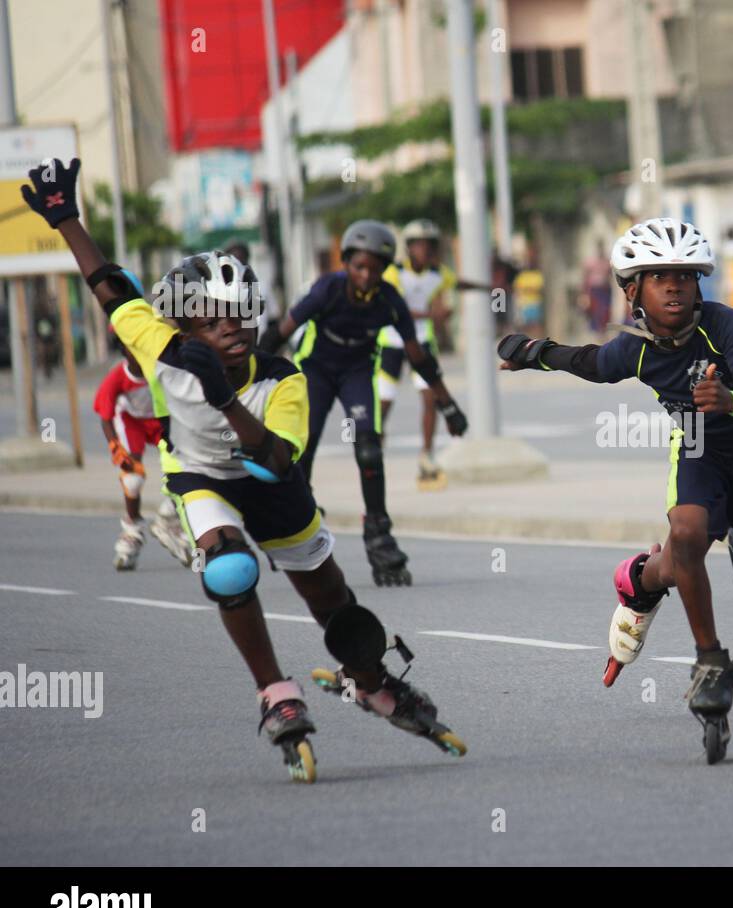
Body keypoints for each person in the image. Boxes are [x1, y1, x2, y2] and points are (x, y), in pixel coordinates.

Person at [22, 158, 465, 782]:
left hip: (269, 482)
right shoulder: (159, 347)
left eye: (239, 314)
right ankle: (275, 694)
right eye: (211, 320)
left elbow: (276, 461)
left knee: (341, 611)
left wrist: (225, 398)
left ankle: (372, 683)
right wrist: (66, 218)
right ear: (183, 325)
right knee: (230, 567)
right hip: (199, 477)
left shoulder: (282, 380)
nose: (230, 328)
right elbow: (109, 286)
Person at [497, 218, 733, 765]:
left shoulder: (724, 326)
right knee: (686, 535)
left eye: (686, 277)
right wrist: (531, 351)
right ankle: (703, 651)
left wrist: (729, 401)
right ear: (631, 289)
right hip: (697, 445)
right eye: (658, 276)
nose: (674, 287)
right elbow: (590, 363)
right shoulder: (636, 348)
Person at [257, 219, 469, 586]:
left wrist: (448, 406)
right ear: (346, 263)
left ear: (385, 270)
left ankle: (379, 538)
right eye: (359, 267)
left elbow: (419, 358)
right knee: (299, 450)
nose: (366, 275)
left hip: (356, 374)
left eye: (375, 268)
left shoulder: (389, 301)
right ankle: (294, 527)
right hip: (317, 371)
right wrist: (247, 377)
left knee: (369, 449)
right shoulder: (328, 289)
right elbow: (280, 333)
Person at [95, 329, 192, 571]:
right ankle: (132, 529)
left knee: (186, 467)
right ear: (123, 349)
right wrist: (115, 446)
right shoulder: (117, 377)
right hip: (132, 422)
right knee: (133, 478)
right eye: (131, 345)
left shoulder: (159, 368)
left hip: (160, 420)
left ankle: (169, 517)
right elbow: (105, 415)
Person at [375, 220, 461, 492]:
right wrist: (432, 315)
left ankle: (427, 455)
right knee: (385, 402)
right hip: (393, 341)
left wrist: (486, 289)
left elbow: (457, 283)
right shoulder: (394, 273)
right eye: (419, 245)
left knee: (430, 397)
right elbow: (395, 309)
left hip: (422, 341)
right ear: (410, 247)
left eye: (429, 245)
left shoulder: (439, 274)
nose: (424, 250)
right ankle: (374, 448)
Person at [580, 243, 612, 336]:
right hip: (594, 290)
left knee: (604, 310)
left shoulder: (607, 262)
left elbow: (610, 276)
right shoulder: (591, 262)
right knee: (595, 311)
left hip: (604, 290)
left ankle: (603, 330)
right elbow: (585, 277)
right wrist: (584, 292)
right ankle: (597, 331)